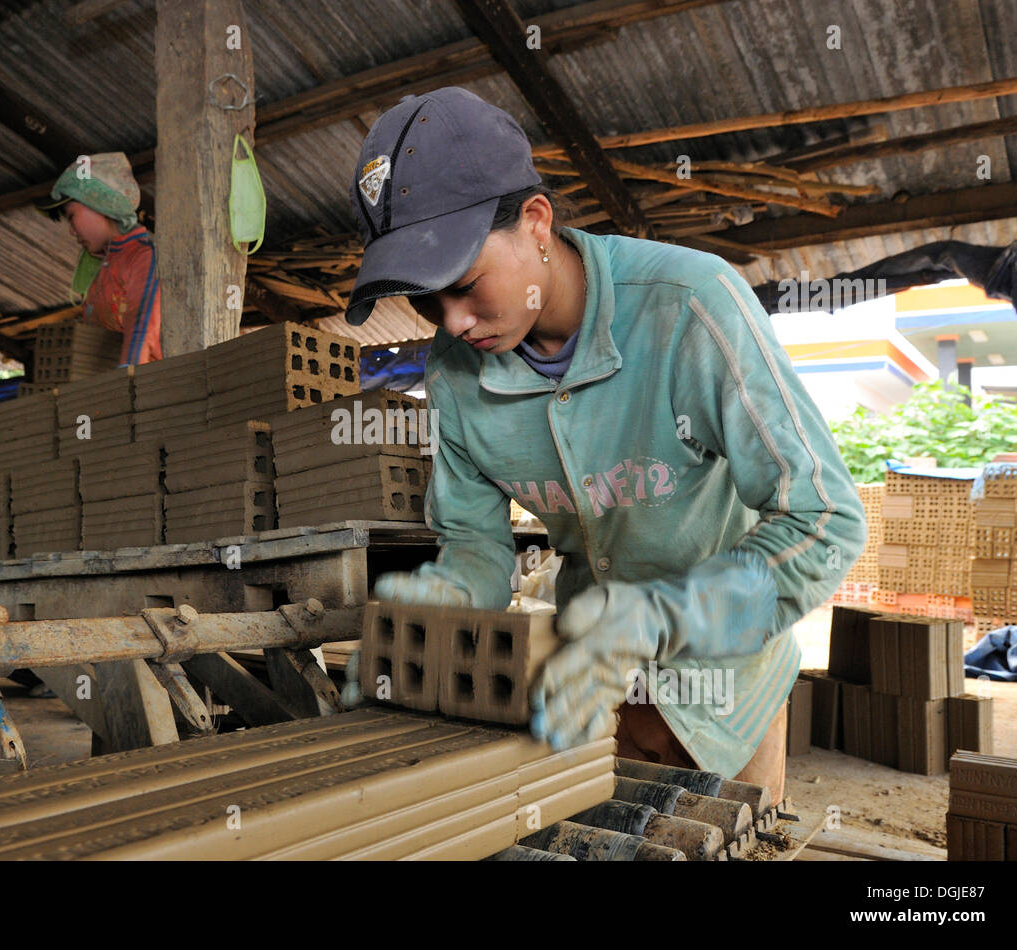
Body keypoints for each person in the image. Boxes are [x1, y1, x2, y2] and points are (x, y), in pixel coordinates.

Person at [343, 87, 867, 803]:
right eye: (427, 302)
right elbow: (476, 541)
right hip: (589, 698)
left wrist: (663, 617)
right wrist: (445, 600)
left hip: (726, 697)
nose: (454, 322)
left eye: (464, 286)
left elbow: (825, 519)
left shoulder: (690, 308)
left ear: (534, 222)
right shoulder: (454, 374)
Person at [37, 152, 161, 366]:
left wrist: (127, 378)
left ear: (99, 203)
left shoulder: (141, 257)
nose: (72, 232)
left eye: (71, 217)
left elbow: (141, 321)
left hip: (144, 387)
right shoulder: (104, 267)